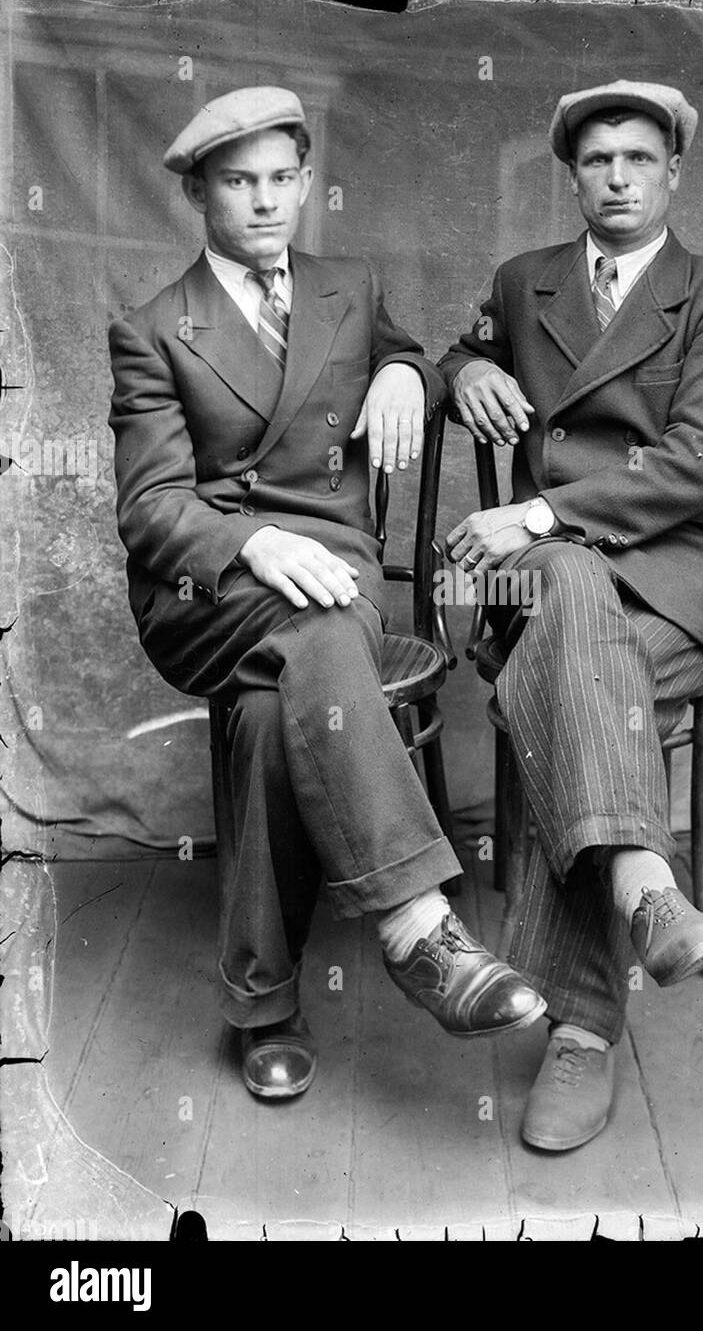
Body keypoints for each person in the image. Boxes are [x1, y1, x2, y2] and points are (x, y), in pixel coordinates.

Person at [107, 86, 544, 1102]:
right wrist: (253, 539)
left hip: (334, 576)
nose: (263, 202)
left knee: (272, 714)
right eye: (236, 182)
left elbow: (416, 358)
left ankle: (263, 1005)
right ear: (200, 196)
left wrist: (405, 372)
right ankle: (419, 930)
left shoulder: (350, 284)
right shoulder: (155, 329)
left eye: (280, 180)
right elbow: (153, 507)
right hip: (209, 592)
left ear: (306, 184)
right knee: (307, 634)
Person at [440, 80, 703, 1151]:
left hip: (676, 573)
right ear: (572, 175)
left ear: (674, 172)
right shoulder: (524, 281)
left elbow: (697, 464)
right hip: (549, 571)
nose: (619, 177)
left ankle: (581, 1024)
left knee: (570, 664)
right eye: (597, 160)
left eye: (639, 158)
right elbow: (456, 347)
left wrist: (533, 509)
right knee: (571, 597)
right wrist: (470, 367)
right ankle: (645, 891)